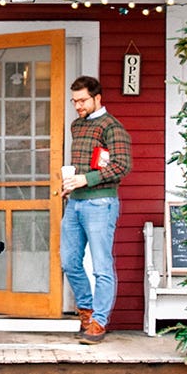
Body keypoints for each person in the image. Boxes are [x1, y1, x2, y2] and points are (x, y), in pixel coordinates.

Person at [60, 75, 133, 343]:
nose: (78, 106)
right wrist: (72, 184)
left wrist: (87, 179)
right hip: (75, 201)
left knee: (101, 265)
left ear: (97, 98)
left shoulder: (113, 127)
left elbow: (122, 166)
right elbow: (84, 162)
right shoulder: (77, 126)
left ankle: (99, 321)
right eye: (74, 101)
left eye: (82, 100)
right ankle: (87, 310)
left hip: (101, 203)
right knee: (69, 262)